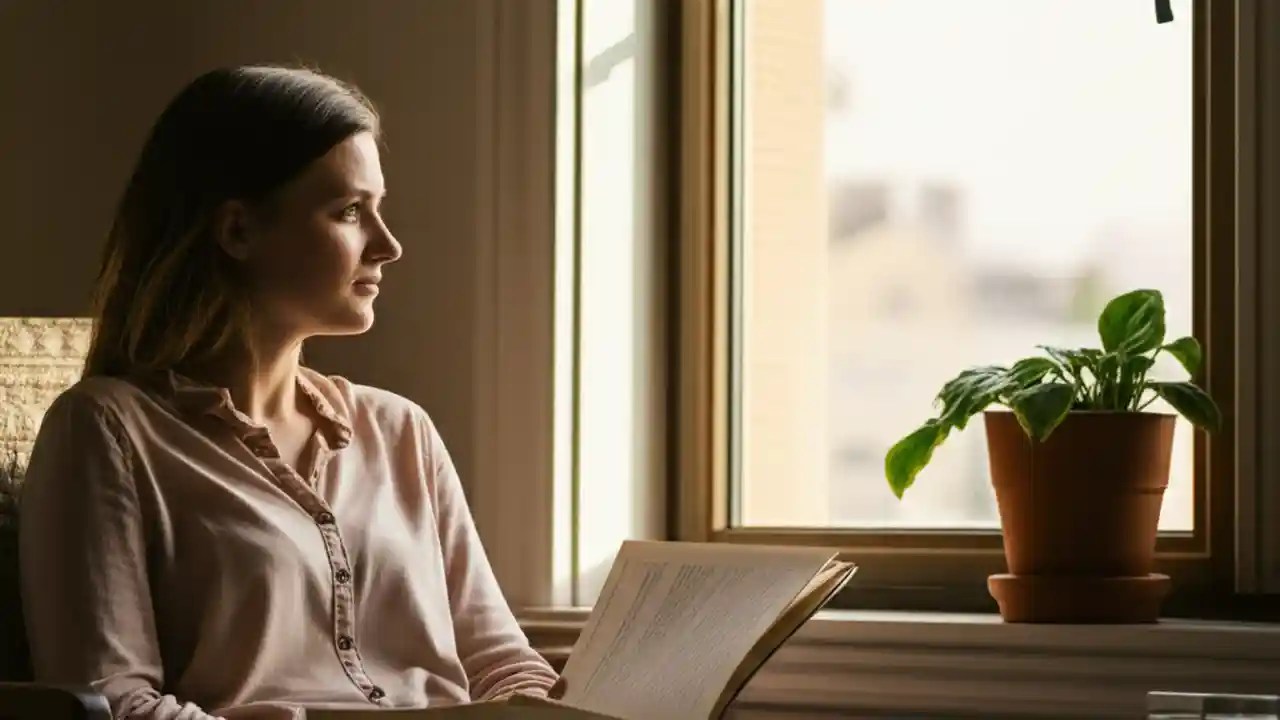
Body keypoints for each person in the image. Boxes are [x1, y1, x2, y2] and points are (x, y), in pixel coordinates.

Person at [18, 65, 558, 720]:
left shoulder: (401, 432)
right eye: (350, 212)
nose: (388, 246)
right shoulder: (108, 430)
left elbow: (498, 659)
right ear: (238, 230)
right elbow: (117, 705)